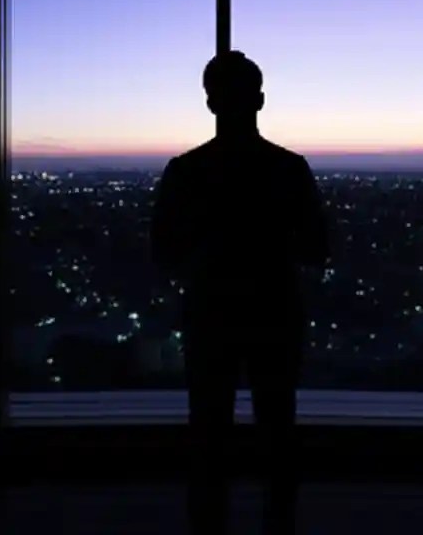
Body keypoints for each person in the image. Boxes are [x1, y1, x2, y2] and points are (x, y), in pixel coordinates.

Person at [151, 49, 329, 534]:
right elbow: (318, 248)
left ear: (210, 104)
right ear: (261, 100)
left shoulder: (185, 172)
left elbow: (164, 252)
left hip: (211, 314)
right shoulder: (289, 170)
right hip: (275, 311)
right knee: (277, 429)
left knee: (209, 431)